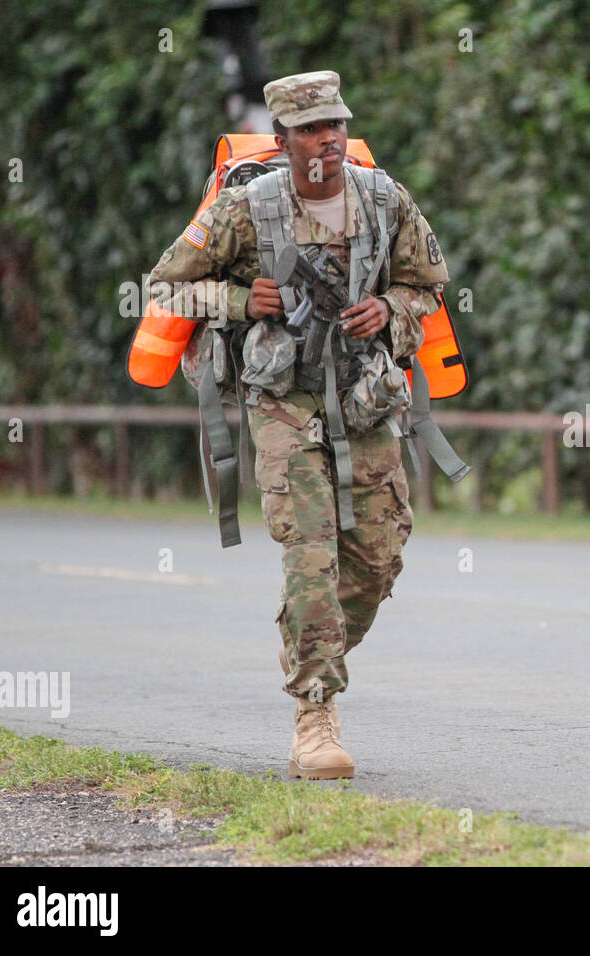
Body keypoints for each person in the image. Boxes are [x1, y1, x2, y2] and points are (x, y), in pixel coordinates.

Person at [147, 70, 450, 779]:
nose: (330, 137)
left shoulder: (384, 199)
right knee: (308, 550)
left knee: (376, 560)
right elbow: (162, 285)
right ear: (282, 140)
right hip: (283, 400)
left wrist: (392, 311)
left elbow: (429, 287)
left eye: (337, 123)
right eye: (313, 128)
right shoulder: (244, 209)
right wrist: (234, 298)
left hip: (367, 396)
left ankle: (308, 641)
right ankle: (314, 716)